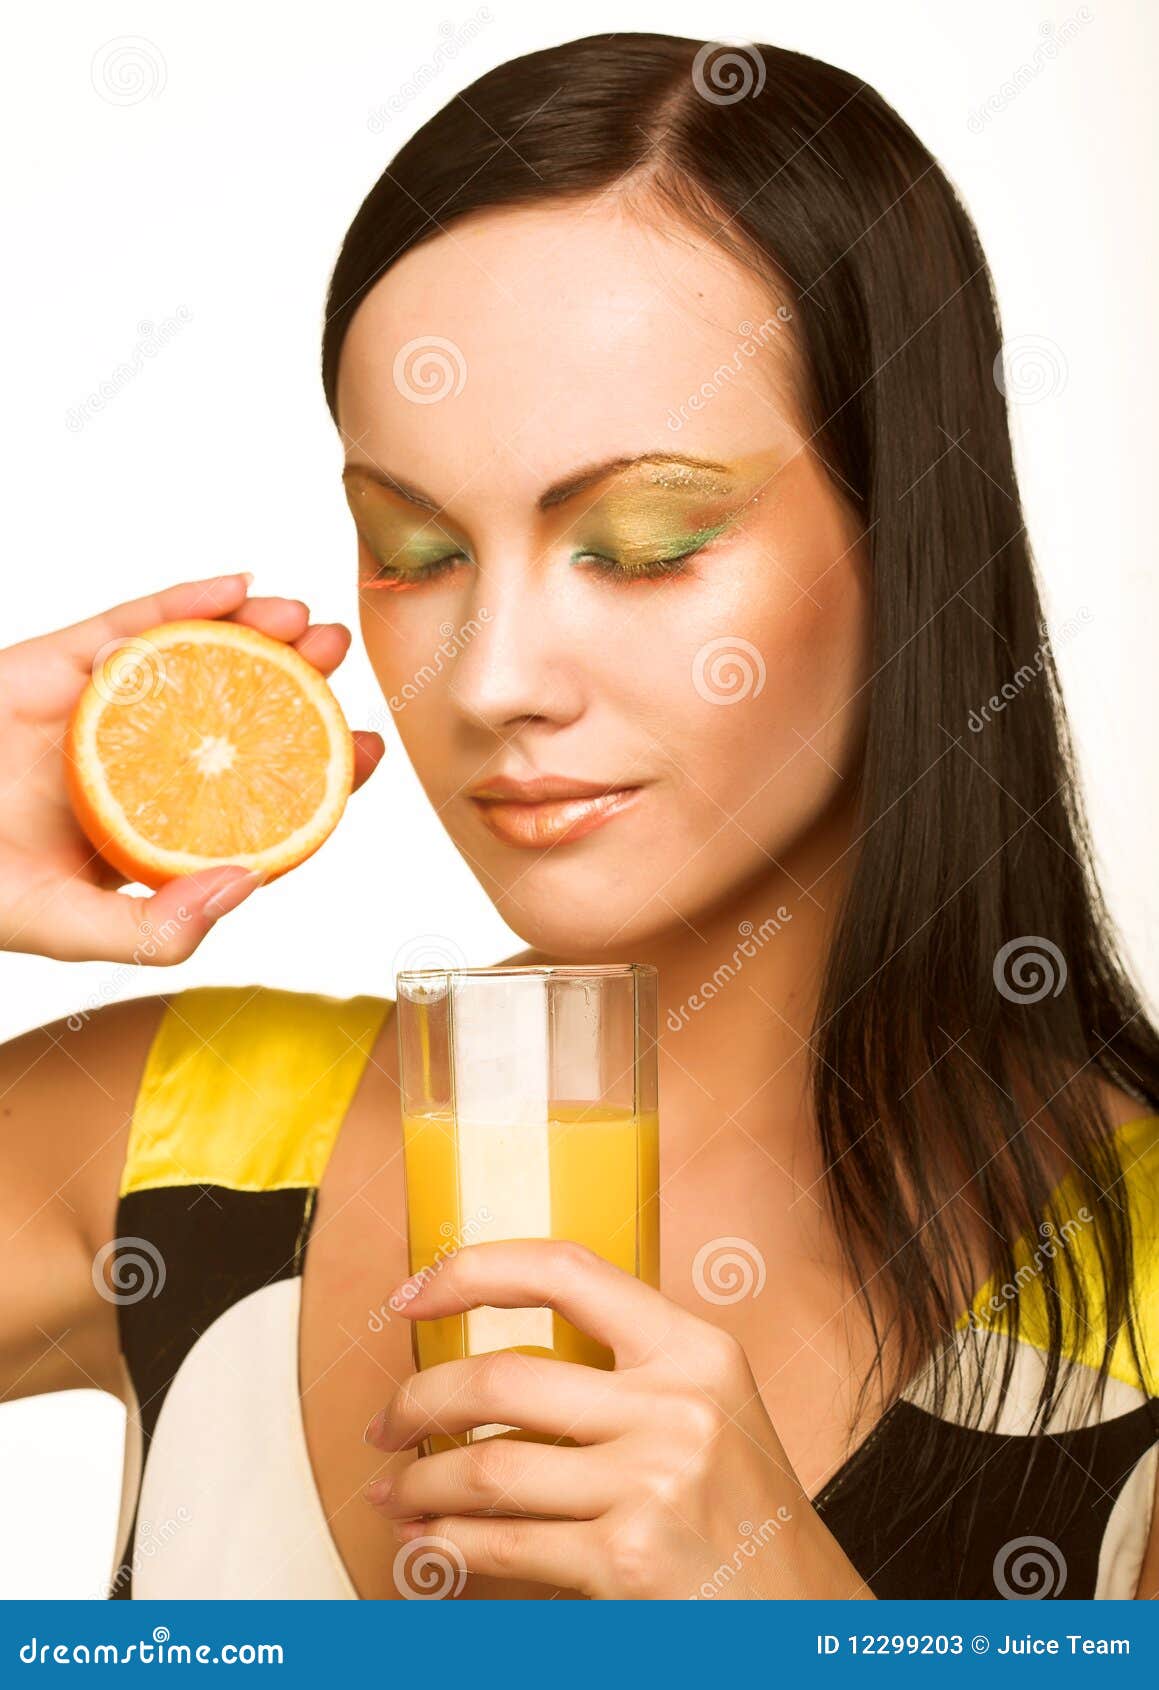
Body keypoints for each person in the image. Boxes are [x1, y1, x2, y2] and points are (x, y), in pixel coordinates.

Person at [2, 32, 1157, 1602]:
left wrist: (787, 1619)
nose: (494, 679)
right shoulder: (179, 1137)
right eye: (416, 550)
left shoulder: (1137, 1280)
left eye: (643, 541)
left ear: (910, 536)